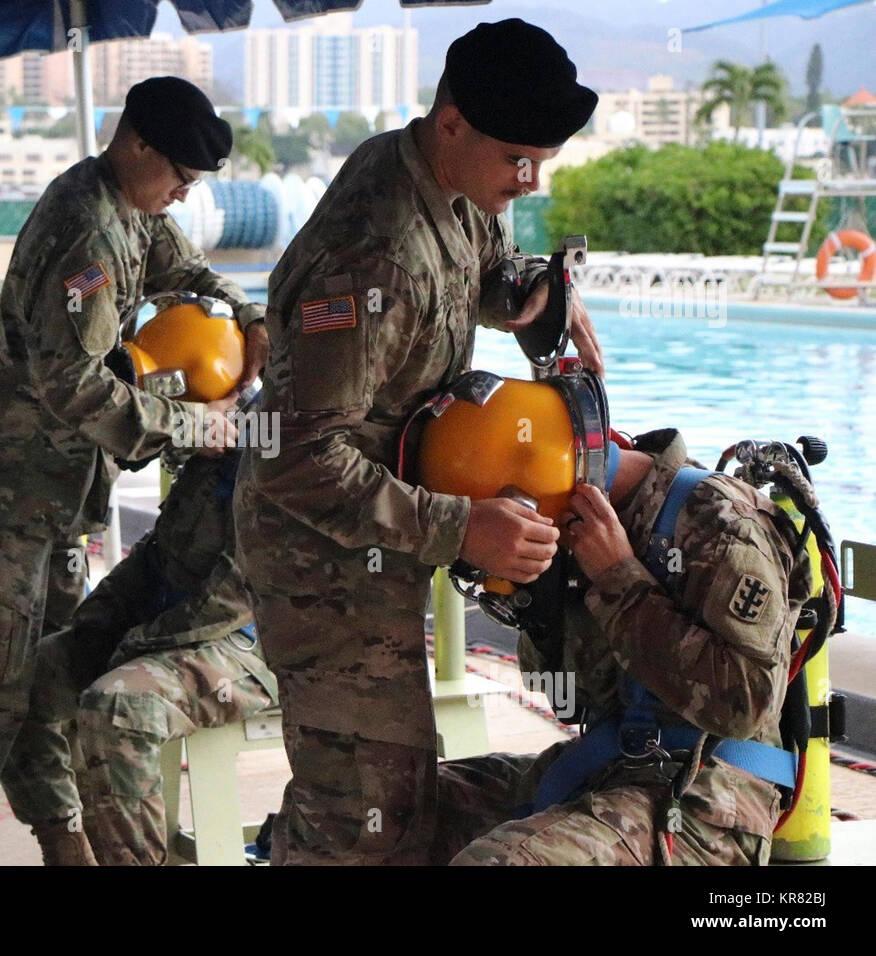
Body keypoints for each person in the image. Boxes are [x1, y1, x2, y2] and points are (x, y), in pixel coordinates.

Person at [232, 18, 602, 865]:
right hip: (321, 557)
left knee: (382, 800)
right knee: (365, 817)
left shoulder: (445, 177)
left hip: (378, 532)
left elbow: (477, 269)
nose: (529, 179)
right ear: (451, 124)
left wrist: (533, 291)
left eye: (542, 161)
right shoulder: (374, 256)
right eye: (519, 157)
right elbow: (293, 455)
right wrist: (461, 528)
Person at [0, 76, 268, 865]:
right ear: (136, 145)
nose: (182, 195)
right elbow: (77, 388)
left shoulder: (133, 208)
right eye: (179, 178)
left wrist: (248, 311)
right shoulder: (86, 232)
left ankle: (61, 836)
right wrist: (199, 423)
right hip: (9, 487)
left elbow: (185, 269)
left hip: (60, 494)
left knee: (38, 674)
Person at [433, 426, 804, 866]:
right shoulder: (566, 527)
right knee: (378, 809)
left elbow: (745, 704)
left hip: (709, 804)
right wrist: (533, 601)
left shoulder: (722, 521)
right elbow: (568, 700)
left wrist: (617, 578)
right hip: (607, 768)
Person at [2, 438, 279, 866]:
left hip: (254, 646)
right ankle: (67, 845)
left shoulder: (277, 444)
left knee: (119, 706)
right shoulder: (218, 444)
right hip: (172, 631)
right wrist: (97, 624)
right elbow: (156, 554)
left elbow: (229, 598)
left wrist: (131, 646)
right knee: (19, 676)